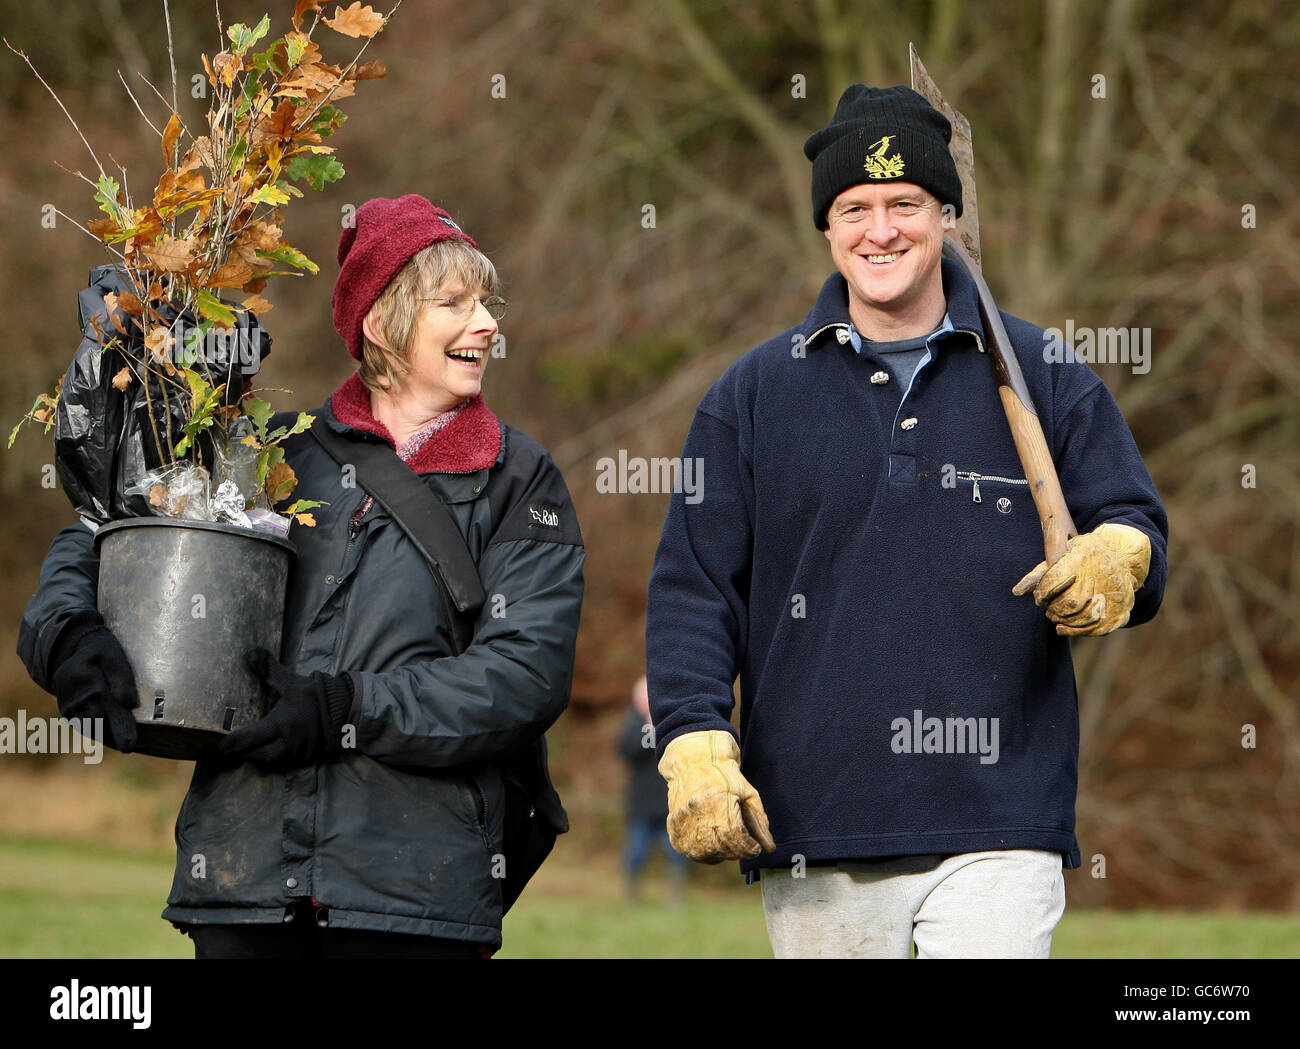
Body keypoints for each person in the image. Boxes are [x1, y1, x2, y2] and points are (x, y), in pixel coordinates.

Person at [645, 85, 1169, 958]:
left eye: (904, 205)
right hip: (818, 823)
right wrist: (696, 739)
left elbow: (1135, 521)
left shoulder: (1043, 370)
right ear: (826, 226)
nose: (878, 229)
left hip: (1002, 814)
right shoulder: (753, 395)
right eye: (854, 207)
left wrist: (1117, 556)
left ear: (947, 218)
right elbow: (694, 589)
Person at [18, 193, 585, 958]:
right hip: (242, 892)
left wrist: (343, 706)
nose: (487, 324)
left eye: (487, 303)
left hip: (412, 906)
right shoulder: (271, 455)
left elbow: (523, 676)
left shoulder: (520, 479)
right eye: (455, 302)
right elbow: (108, 525)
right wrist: (70, 635)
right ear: (381, 324)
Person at [618, 675, 689, 900]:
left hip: (669, 802)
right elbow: (627, 752)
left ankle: (675, 897)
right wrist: (648, 728)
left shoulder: (672, 721)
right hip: (641, 804)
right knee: (636, 853)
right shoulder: (632, 723)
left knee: (677, 853)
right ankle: (632, 896)